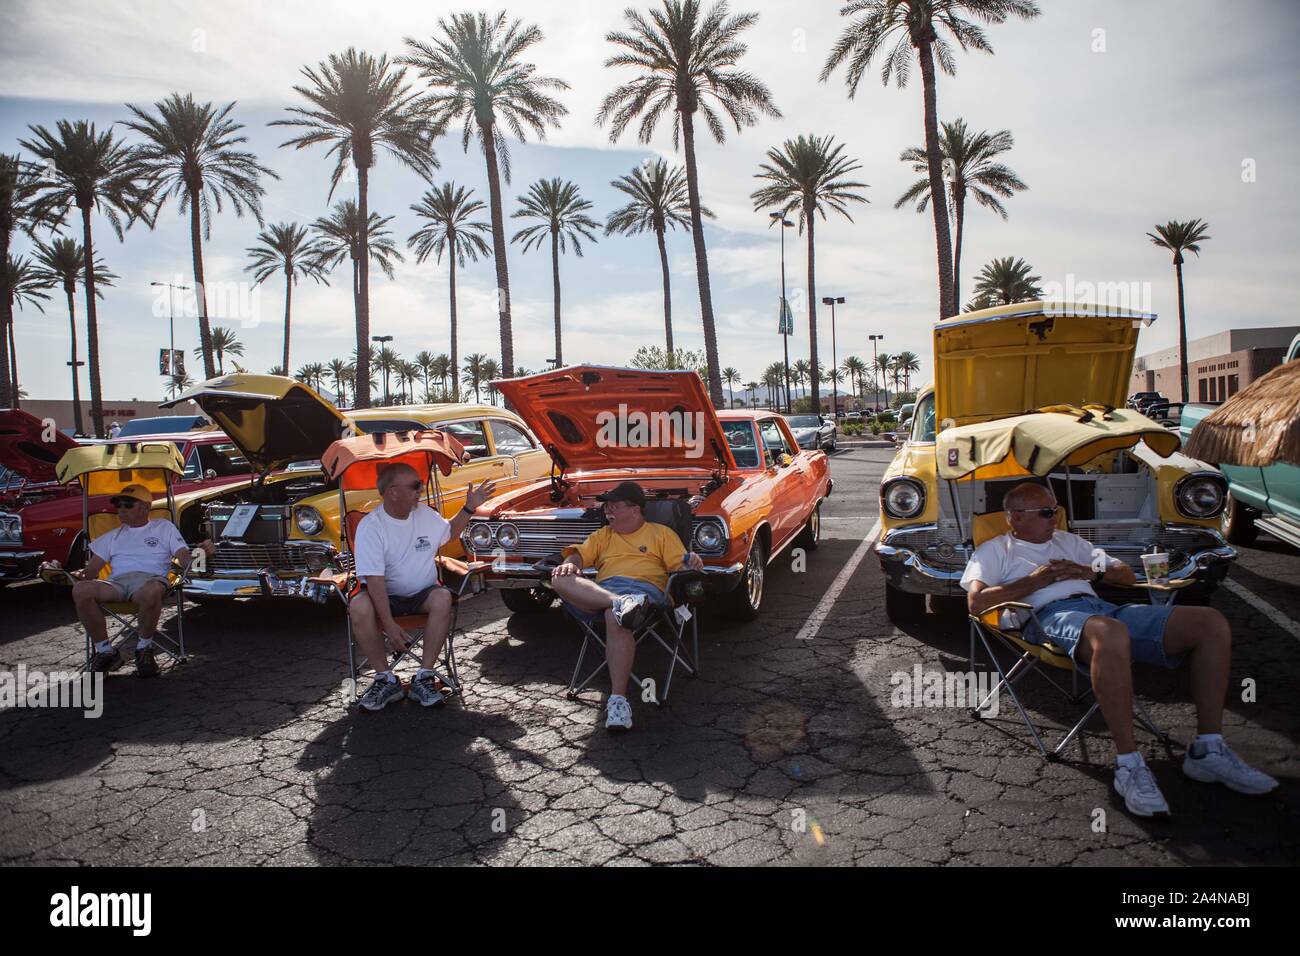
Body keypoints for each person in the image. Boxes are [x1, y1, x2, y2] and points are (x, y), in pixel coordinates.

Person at [961, 480, 1278, 817]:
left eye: (1054, 510)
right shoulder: (996, 549)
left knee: (1210, 623)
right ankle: (1129, 764)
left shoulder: (1070, 541)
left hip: (1102, 609)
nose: (1054, 517)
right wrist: (1034, 582)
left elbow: (1125, 574)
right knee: (1110, 633)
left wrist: (1089, 573)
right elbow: (975, 602)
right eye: (1045, 512)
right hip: (1049, 616)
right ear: (1014, 517)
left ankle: (1208, 751)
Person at [548, 481, 704, 732]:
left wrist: (692, 561)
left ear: (635, 509)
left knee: (615, 617)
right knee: (559, 577)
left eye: (614, 506)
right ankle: (621, 604)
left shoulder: (660, 533)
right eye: (606, 506)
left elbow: (680, 565)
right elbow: (578, 554)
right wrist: (570, 562)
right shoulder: (602, 536)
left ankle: (618, 701)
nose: (607, 511)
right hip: (604, 592)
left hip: (645, 592)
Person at [349, 463, 497, 712]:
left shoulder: (424, 514)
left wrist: (469, 507)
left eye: (422, 484)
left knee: (442, 597)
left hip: (422, 594)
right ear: (393, 492)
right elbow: (374, 580)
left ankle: (424, 676)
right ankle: (385, 678)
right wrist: (388, 622)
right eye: (415, 485)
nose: (422, 489)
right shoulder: (371, 526)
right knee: (358, 606)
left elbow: (448, 533)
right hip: (384, 597)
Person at [52, 484, 200, 677]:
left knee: (152, 590)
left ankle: (144, 649)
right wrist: (60, 571)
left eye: (128, 505)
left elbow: (184, 556)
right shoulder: (112, 536)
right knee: (81, 590)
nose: (121, 509)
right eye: (119, 505)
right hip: (117, 583)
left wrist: (200, 554)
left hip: (149, 581)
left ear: (146, 507)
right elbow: (89, 573)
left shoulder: (164, 527)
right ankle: (106, 651)